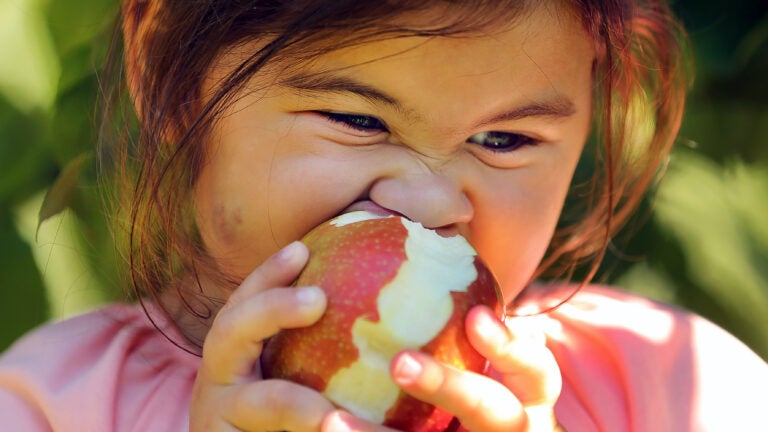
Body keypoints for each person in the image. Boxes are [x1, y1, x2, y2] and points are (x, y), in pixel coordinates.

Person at [1, 0, 766, 430]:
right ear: (168, 80)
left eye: (505, 140)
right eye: (358, 120)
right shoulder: (51, 408)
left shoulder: (670, 393)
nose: (429, 205)